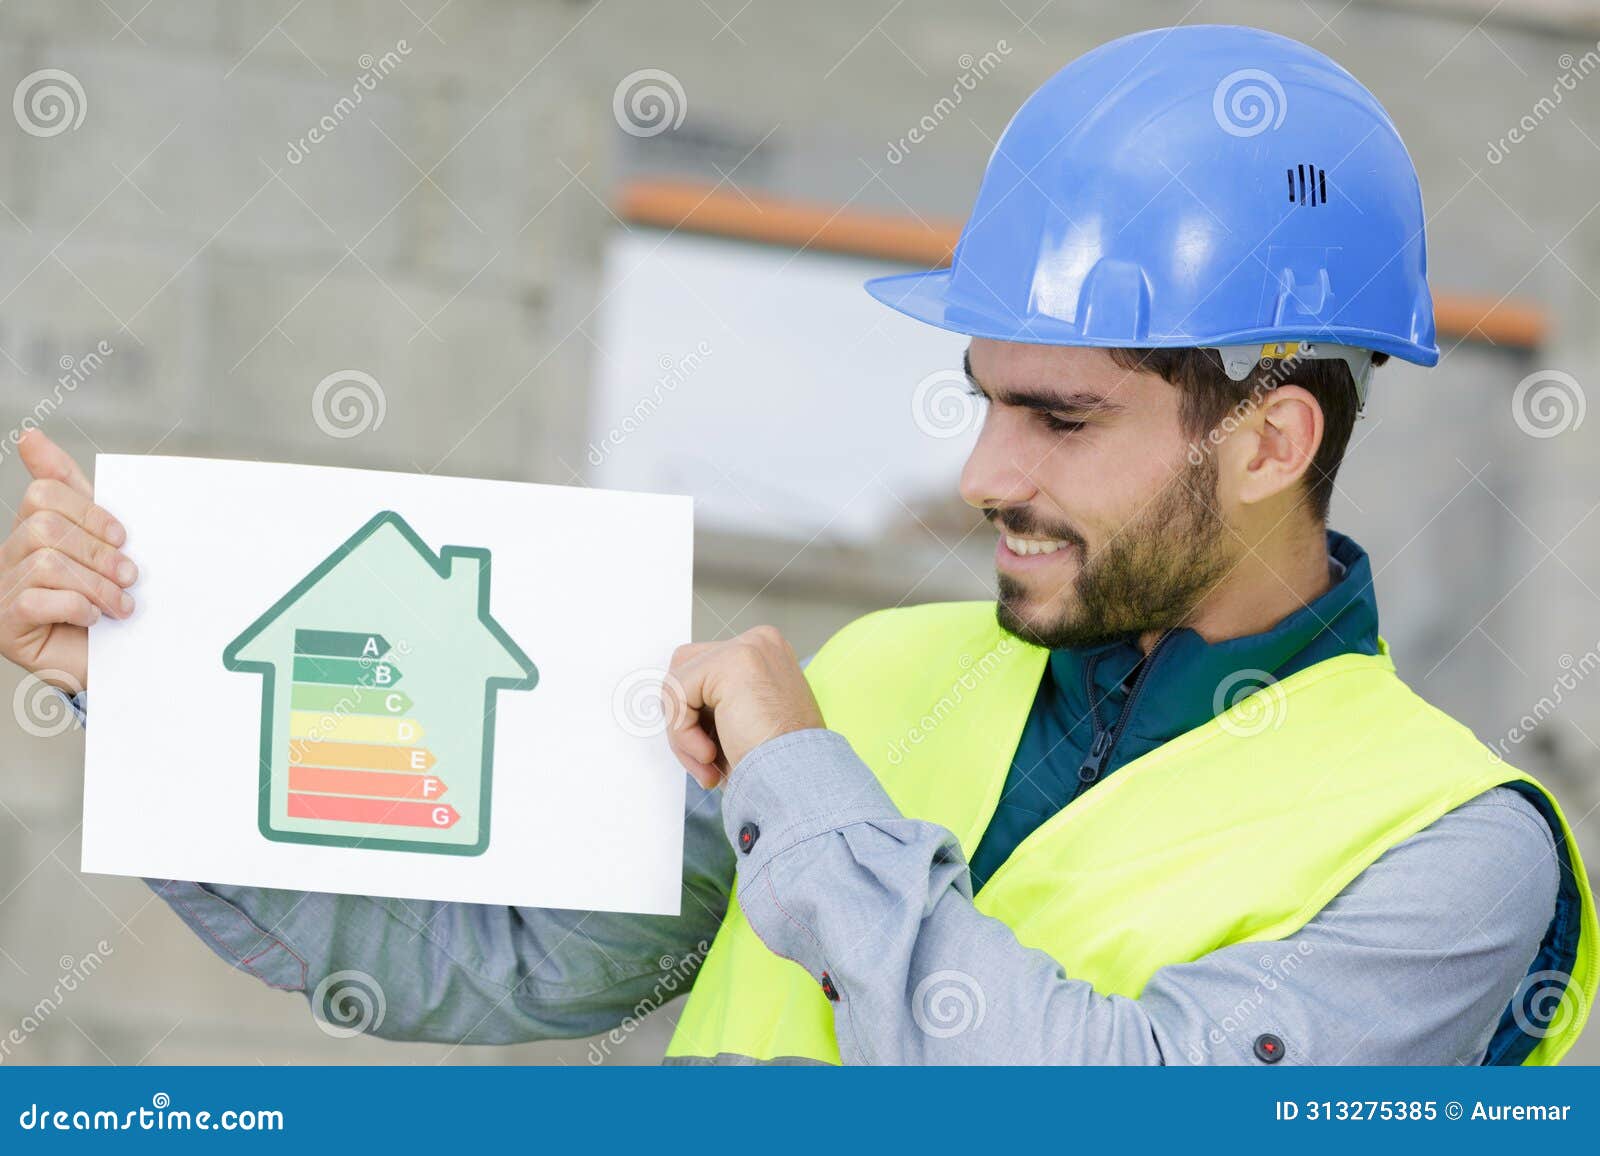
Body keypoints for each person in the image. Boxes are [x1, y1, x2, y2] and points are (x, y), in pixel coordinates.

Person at [2, 24, 1592, 1065]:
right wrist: (154, 695)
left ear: (1270, 438)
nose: (980, 472)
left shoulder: (1458, 853)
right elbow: (491, 966)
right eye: (983, 403)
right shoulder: (881, 676)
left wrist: (808, 797)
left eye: (1061, 418)